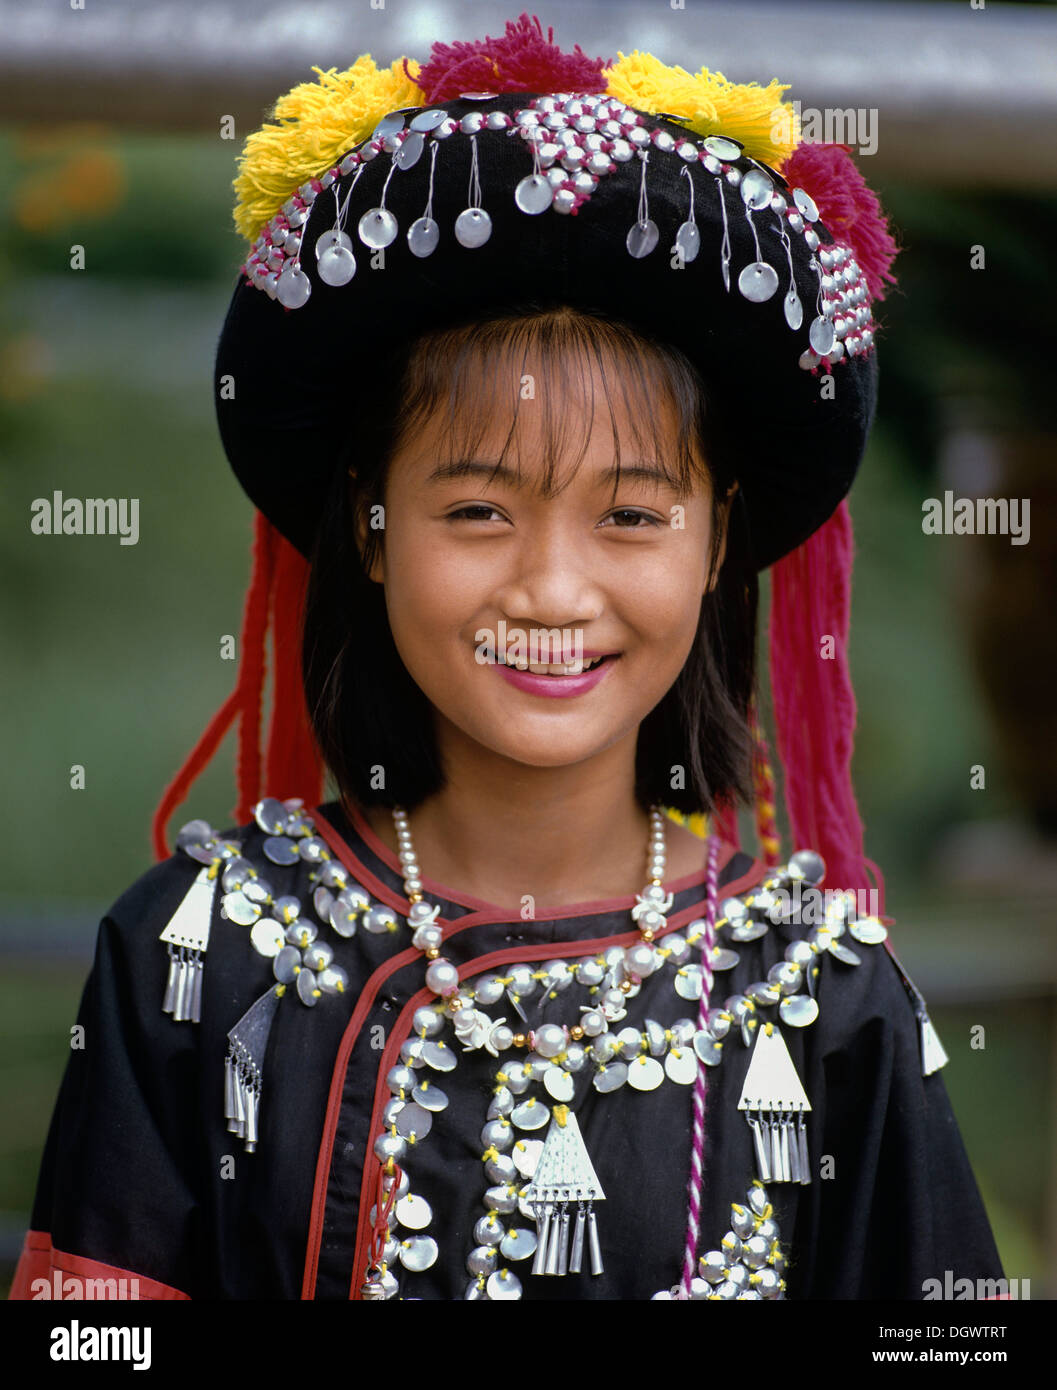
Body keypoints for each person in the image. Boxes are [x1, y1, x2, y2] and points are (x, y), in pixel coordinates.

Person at [11, 13, 1003, 1301]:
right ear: (369, 528)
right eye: (477, 510)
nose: (551, 586)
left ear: (718, 549)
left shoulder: (828, 997)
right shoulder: (191, 956)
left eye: (633, 515)